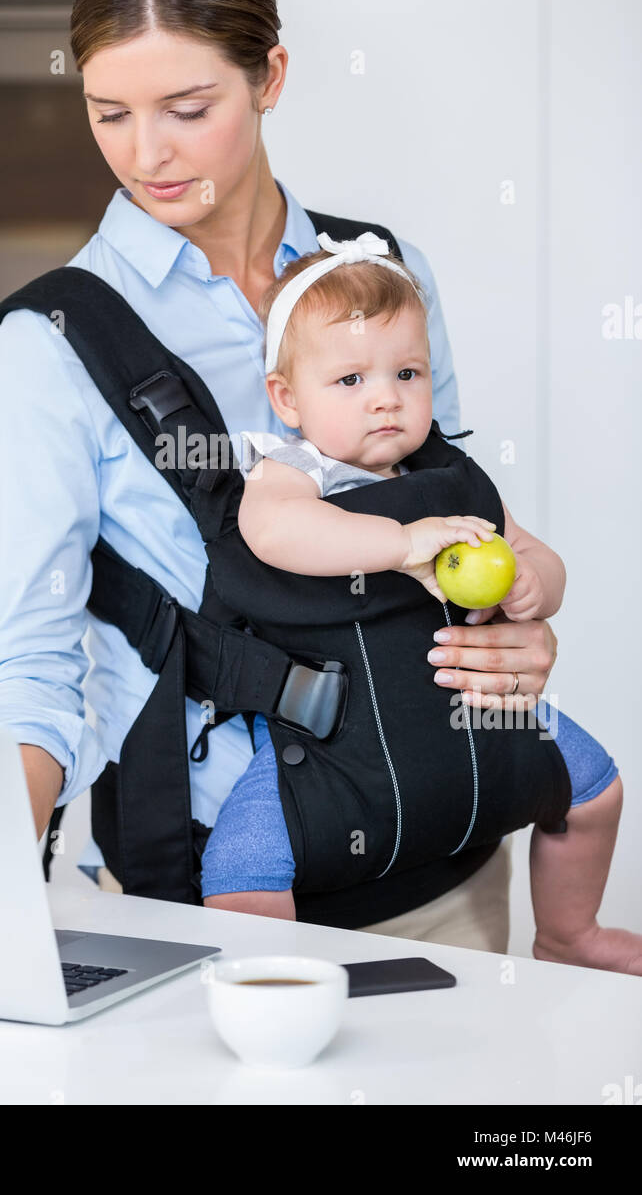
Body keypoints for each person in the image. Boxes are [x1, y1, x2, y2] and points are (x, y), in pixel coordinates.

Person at [0, 0, 576, 953]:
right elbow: (29, 661)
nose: (145, 153)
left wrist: (517, 629)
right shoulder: (50, 339)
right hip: (215, 884)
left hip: (448, 855)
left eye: (187, 106)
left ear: (270, 77)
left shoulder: (380, 267)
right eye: (107, 112)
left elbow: (455, 506)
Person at [197, 233, 641, 974]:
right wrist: (405, 544)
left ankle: (570, 931)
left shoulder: (447, 469)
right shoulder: (291, 471)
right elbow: (276, 532)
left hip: (471, 715)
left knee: (595, 791)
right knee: (240, 872)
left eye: (408, 372)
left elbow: (532, 551)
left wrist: (534, 584)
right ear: (287, 398)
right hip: (334, 747)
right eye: (349, 380)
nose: (385, 398)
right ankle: (269, 986)